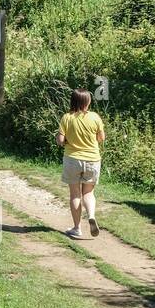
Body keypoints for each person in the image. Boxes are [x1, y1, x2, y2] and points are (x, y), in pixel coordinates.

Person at [57, 88, 106, 239]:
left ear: (73, 100)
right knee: (88, 193)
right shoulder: (95, 117)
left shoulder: (67, 117)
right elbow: (101, 138)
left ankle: (77, 228)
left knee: (75, 194)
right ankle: (91, 215)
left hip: (72, 159)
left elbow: (60, 141)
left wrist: (65, 140)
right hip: (92, 159)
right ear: (88, 101)